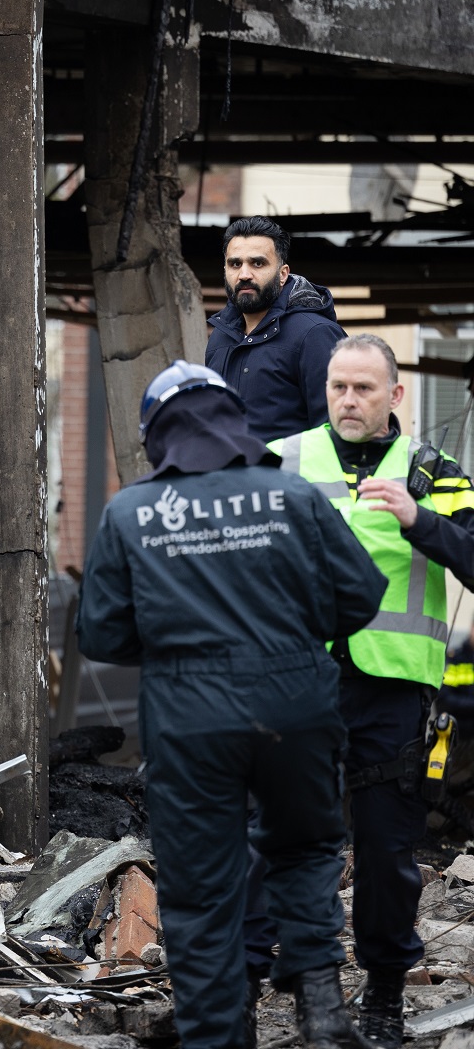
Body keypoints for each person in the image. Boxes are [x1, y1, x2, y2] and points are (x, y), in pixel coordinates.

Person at [80, 361, 386, 1049]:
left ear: (157, 434)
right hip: (295, 699)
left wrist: (176, 637)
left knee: (200, 885)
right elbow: (361, 596)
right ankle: (323, 1011)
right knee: (305, 851)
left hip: (190, 714)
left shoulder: (130, 511)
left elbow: (102, 632)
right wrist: (293, 629)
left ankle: (218, 1037)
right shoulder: (294, 495)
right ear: (233, 422)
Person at [265, 335, 474, 1046]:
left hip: (391, 690)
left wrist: (422, 522)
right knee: (297, 843)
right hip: (300, 684)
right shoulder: (283, 460)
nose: (348, 400)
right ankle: (310, 994)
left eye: (363, 388)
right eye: (337, 387)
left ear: (395, 395)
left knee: (387, 853)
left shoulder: (433, 470)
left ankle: (384, 995)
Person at [206, 215, 346, 442]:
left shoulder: (315, 335)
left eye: (257, 263)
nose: (244, 274)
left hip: (291, 477)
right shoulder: (219, 338)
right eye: (235, 264)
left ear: (283, 274)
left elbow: (336, 432)